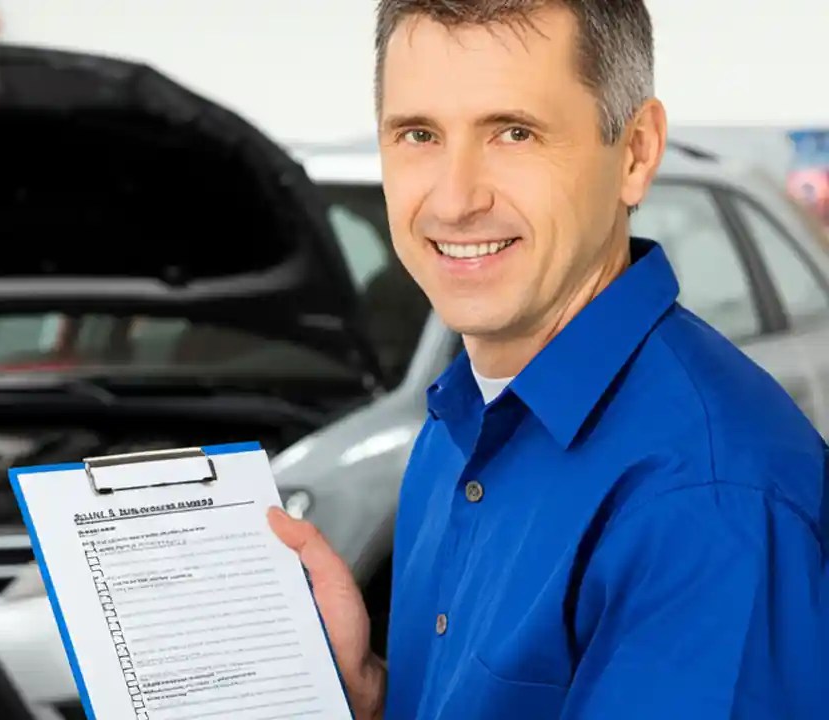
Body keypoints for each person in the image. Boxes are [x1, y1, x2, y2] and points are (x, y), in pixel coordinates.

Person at [267, 1, 829, 718]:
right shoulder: (457, 424)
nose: (455, 198)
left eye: (513, 132)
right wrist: (370, 697)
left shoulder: (708, 504)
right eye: (418, 134)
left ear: (635, 152)